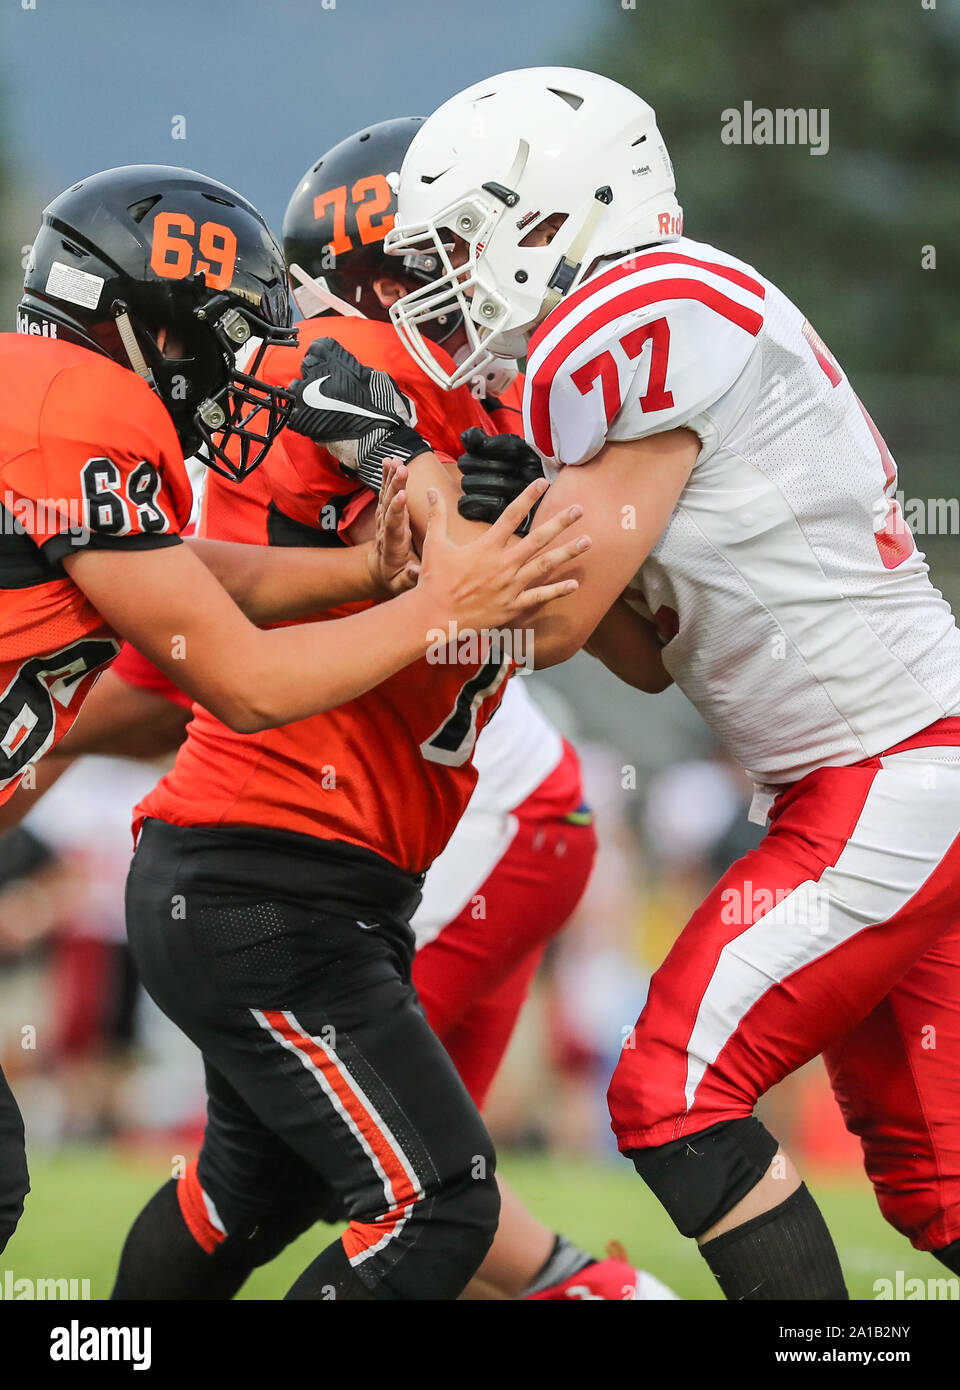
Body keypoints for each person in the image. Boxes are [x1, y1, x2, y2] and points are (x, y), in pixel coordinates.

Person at [368, 64, 960, 1299]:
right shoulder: (641, 331)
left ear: (566, 214)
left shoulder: (642, 311)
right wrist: (523, 513)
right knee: (935, 1177)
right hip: (873, 771)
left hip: (886, 770)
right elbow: (637, 654)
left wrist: (429, 559)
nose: (460, 278)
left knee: (672, 1088)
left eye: (475, 240)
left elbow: (557, 622)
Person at [0, 160, 582, 1262]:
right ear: (149, 319)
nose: (232, 364)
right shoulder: (71, 407)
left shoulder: (45, 404)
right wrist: (444, 602)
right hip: (257, 868)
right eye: (218, 331)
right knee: (434, 1201)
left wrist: (375, 572)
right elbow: (247, 683)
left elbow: (216, 578)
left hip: (283, 873)